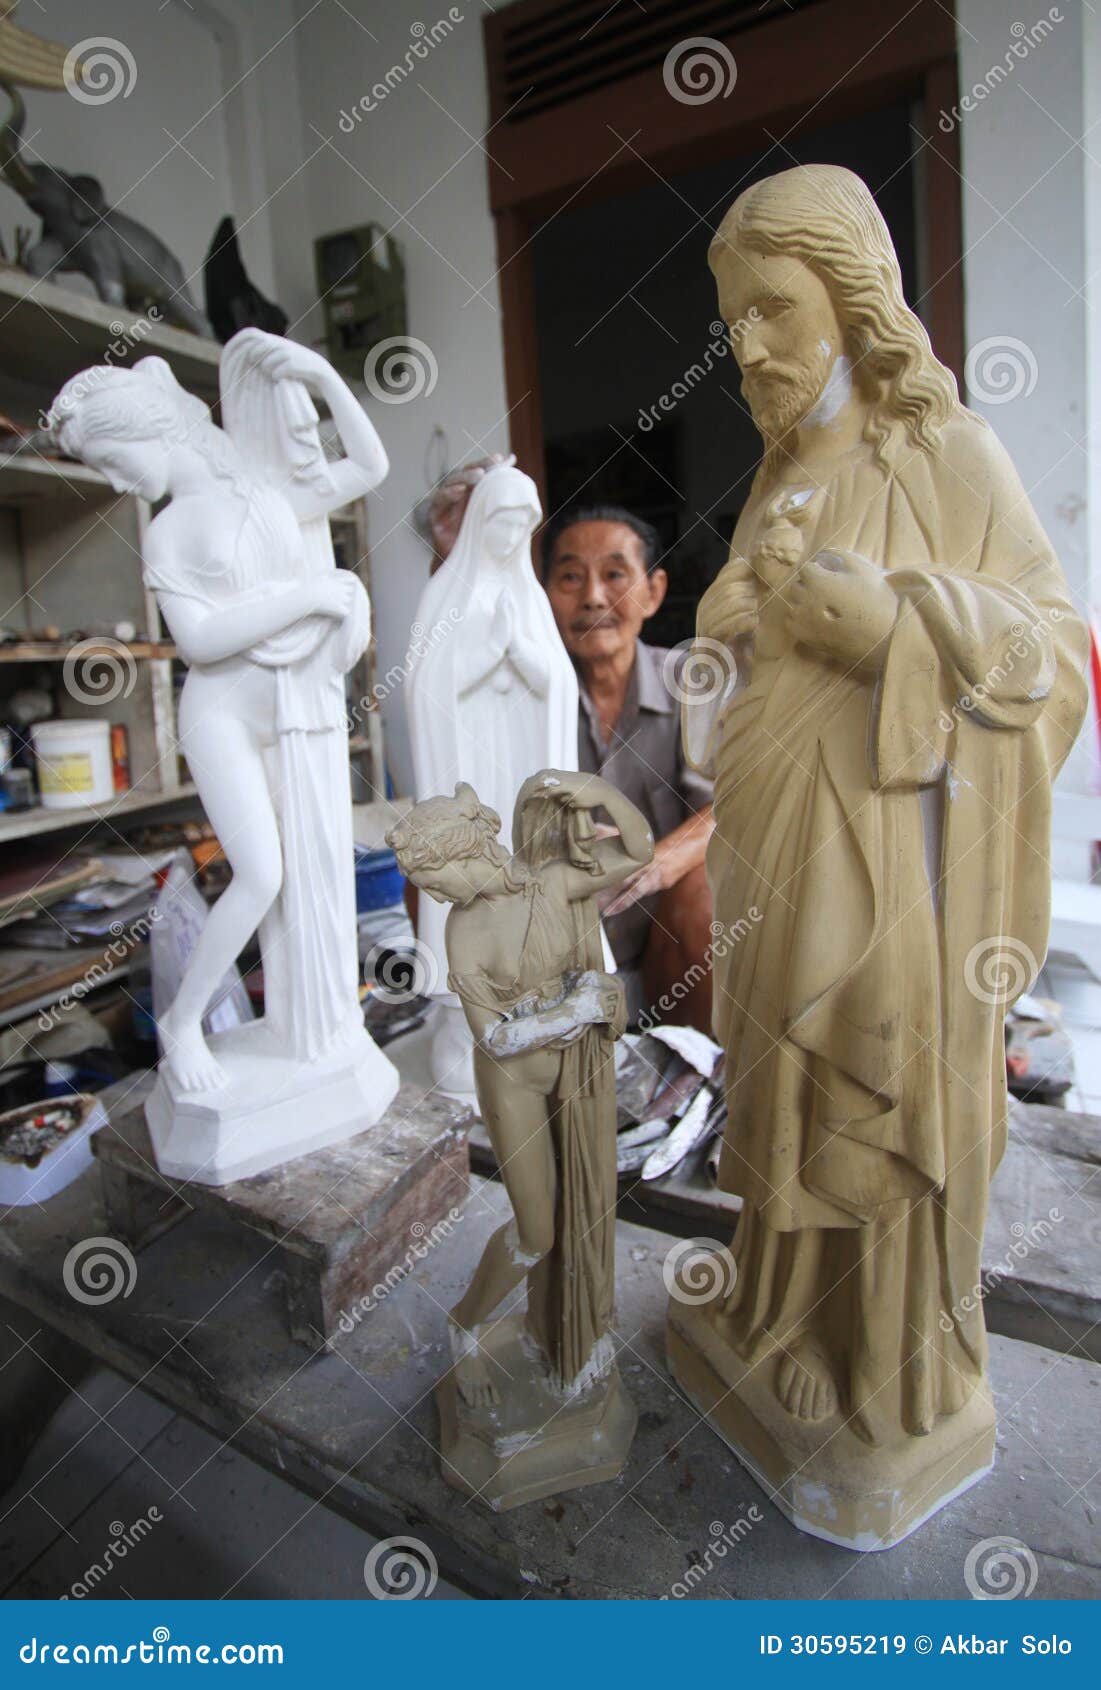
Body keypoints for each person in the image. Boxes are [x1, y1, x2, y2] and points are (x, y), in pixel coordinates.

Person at [684, 163, 1087, 1462]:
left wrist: (897, 629)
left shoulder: (945, 456)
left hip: (899, 860)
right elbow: (747, 640)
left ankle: (880, 1347)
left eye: (776, 312)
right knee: (776, 1082)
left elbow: (1058, 651)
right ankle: (781, 1313)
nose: (750, 348)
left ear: (855, 303)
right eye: (733, 321)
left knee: (871, 1066)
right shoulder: (776, 473)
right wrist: (724, 624)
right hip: (769, 835)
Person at [541, 505, 715, 1032]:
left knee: (708, 888)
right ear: (543, 593)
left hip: (671, 935)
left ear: (653, 591)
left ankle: (700, 1072)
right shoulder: (531, 696)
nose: (593, 596)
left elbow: (735, 804)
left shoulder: (692, 681)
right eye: (570, 577)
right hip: (569, 942)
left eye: (614, 575)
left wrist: (661, 862)